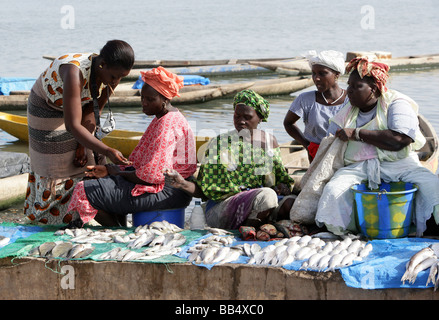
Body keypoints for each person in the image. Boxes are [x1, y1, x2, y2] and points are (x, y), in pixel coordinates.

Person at [315, 56, 439, 237]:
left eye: (356, 87)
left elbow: (399, 140)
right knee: (333, 191)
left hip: (400, 164)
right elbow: (332, 137)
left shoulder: (396, 103)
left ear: (373, 89)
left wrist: (357, 133)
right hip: (359, 167)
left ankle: (428, 230)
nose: (348, 91)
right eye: (348, 85)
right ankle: (346, 233)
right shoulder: (349, 108)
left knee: (432, 186)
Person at [67, 66, 197, 227]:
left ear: (165, 99)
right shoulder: (166, 117)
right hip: (173, 189)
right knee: (97, 180)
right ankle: (120, 228)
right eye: (142, 98)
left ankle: (118, 231)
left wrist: (116, 172)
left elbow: (152, 175)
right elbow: (145, 167)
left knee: (84, 190)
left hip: (169, 191)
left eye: (150, 99)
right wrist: (110, 169)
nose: (144, 103)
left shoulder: (167, 125)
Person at [24, 40, 135, 225]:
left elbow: (93, 110)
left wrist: (82, 146)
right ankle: (50, 217)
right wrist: (108, 150)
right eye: (114, 77)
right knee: (58, 165)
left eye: (121, 77)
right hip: (47, 107)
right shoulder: (73, 72)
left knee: (90, 163)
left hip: (78, 109)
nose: (116, 82)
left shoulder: (110, 73)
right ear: (103, 65)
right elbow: (73, 126)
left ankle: (89, 212)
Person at [164, 89, 294, 229]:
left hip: (259, 203)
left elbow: (282, 180)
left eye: (247, 117)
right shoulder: (219, 144)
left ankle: (259, 226)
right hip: (224, 208)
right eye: (237, 116)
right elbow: (203, 190)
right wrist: (182, 183)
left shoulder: (270, 142)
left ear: (260, 118)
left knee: (291, 203)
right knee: (267, 197)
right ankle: (247, 233)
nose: (241, 121)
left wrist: (282, 187)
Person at [283, 50, 348, 162]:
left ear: (337, 74)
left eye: (322, 74)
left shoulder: (351, 100)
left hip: (345, 157)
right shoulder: (305, 99)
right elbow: (288, 123)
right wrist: (307, 145)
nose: (316, 78)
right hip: (316, 158)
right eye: (314, 73)